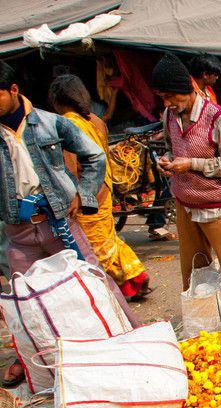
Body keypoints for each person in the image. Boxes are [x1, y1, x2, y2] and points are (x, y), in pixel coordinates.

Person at [0, 61, 141, 387]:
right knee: (23, 301)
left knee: (95, 281)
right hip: (18, 233)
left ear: (13, 91)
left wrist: (85, 194)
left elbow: (94, 155)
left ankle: (132, 337)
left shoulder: (51, 124)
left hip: (59, 221)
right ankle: (33, 363)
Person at [150, 52, 221, 327]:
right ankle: (205, 326)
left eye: (170, 97)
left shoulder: (218, 118)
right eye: (162, 98)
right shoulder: (169, 116)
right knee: (193, 272)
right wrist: (166, 160)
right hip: (184, 203)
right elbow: (169, 145)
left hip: (215, 205)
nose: (167, 104)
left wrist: (192, 164)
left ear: (184, 90)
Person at [48, 74, 151, 301]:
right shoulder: (95, 120)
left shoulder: (67, 124)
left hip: (85, 194)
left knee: (92, 247)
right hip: (104, 188)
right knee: (106, 239)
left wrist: (71, 195)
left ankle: (111, 288)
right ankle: (133, 278)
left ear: (57, 101)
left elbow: (71, 166)